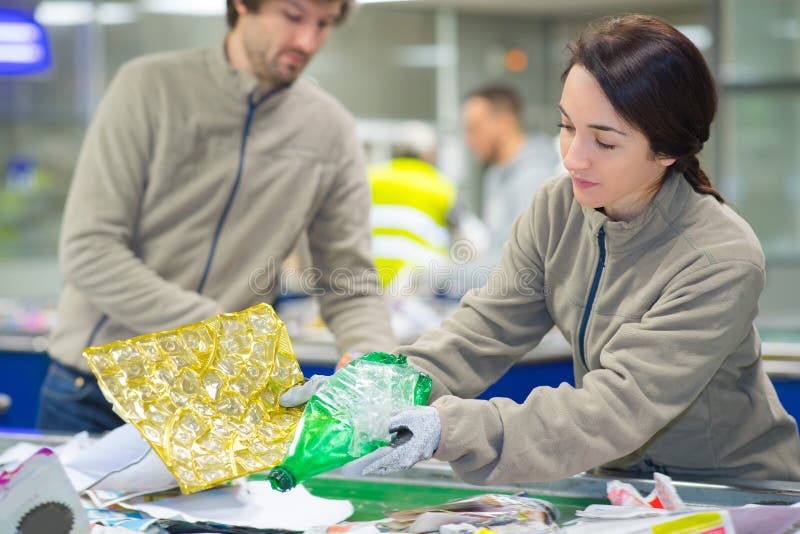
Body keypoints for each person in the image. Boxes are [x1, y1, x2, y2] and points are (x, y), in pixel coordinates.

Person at [285, 14, 800, 483]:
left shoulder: (720, 258)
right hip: (621, 487)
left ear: (666, 150)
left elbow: (616, 407)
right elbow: (483, 329)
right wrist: (375, 387)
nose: (574, 158)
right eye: (566, 126)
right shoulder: (559, 209)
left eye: (604, 141)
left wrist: (452, 428)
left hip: (738, 490)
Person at [38, 0, 396, 433]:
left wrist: (376, 366)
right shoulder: (149, 88)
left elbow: (349, 284)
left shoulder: (330, 130)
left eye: (324, 24)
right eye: (293, 16)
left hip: (216, 401)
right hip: (96, 391)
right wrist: (222, 331)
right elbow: (89, 250)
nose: (308, 41)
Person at [462, 84, 561, 266]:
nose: (469, 140)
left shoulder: (534, 177)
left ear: (504, 123)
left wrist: (440, 276)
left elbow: (516, 266)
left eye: (474, 128)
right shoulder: (495, 174)